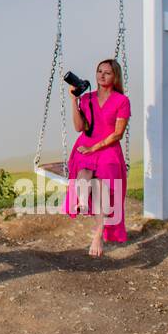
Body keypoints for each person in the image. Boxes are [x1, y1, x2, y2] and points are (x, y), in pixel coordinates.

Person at [64, 59, 130, 256]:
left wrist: (95, 148)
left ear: (115, 76)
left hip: (107, 147)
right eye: (99, 71)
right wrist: (74, 101)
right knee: (84, 169)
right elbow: (79, 127)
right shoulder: (88, 99)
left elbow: (118, 134)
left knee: (101, 184)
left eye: (107, 73)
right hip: (86, 143)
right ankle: (83, 201)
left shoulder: (122, 101)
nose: (102, 75)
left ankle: (98, 234)